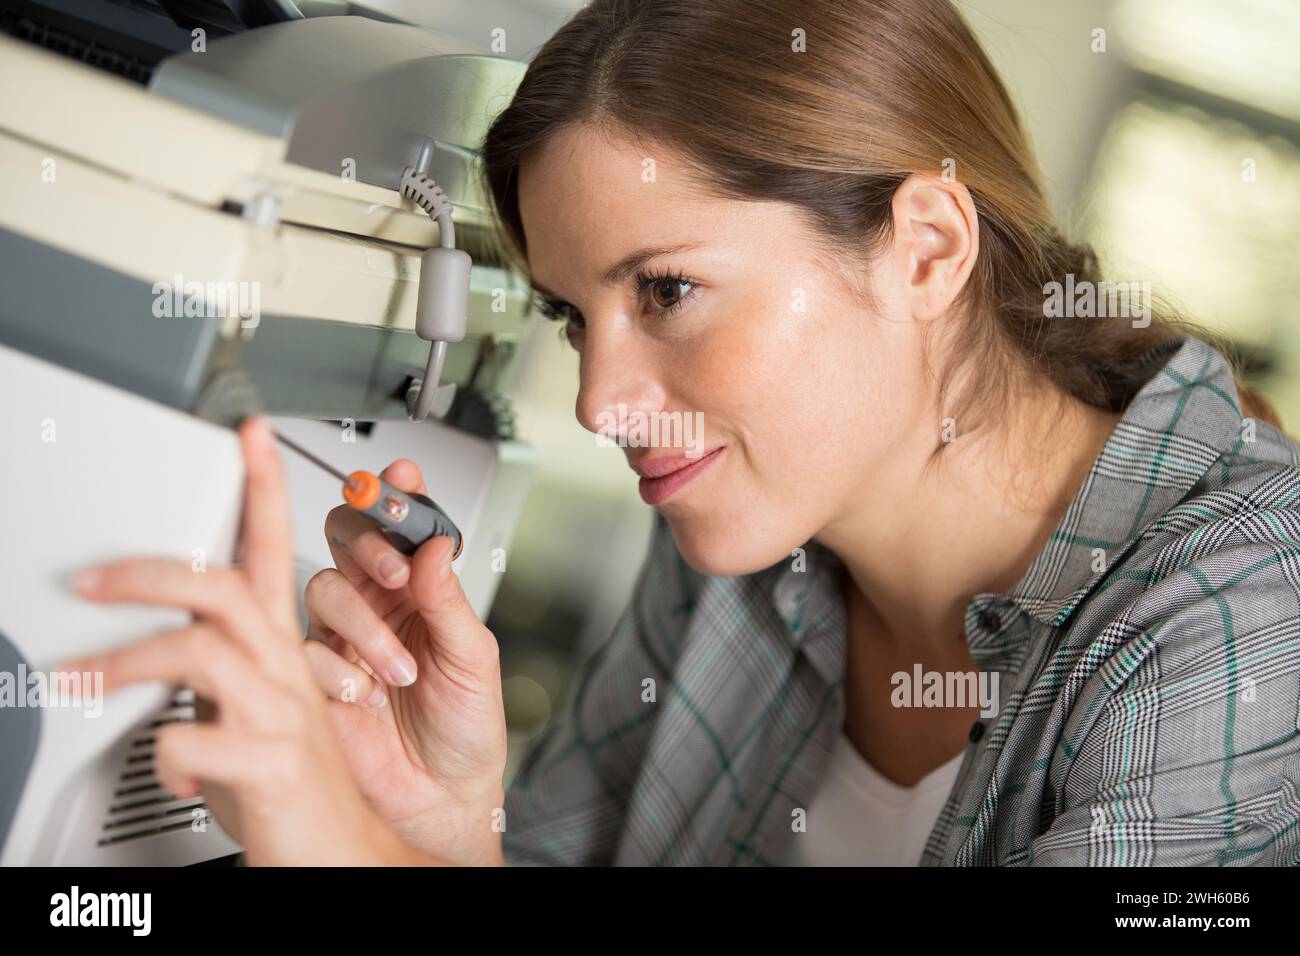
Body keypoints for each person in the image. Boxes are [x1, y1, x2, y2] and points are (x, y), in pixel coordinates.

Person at [72, 0, 1300, 866]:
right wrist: (448, 824)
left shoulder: (1242, 608)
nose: (604, 404)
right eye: (573, 314)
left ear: (926, 248)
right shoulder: (747, 536)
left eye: (664, 290)